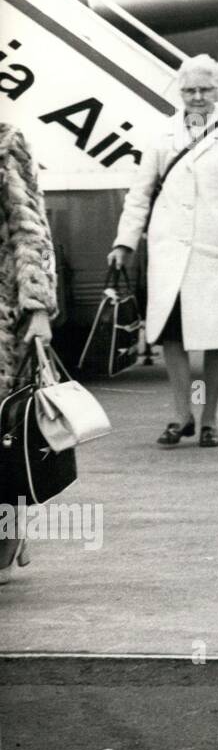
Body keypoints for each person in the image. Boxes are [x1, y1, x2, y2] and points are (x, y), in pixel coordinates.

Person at [109, 55, 218, 449]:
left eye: (205, 89)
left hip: (217, 252)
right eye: (189, 90)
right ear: (179, 92)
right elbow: (140, 193)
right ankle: (182, 415)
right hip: (169, 252)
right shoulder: (161, 135)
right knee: (173, 338)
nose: (197, 97)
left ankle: (209, 418)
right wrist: (124, 242)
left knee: (214, 339)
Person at [0, 123, 59, 580]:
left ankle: (6, 536)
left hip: (2, 314)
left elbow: (30, 229)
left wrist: (37, 307)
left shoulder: (5, 141)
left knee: (5, 435)